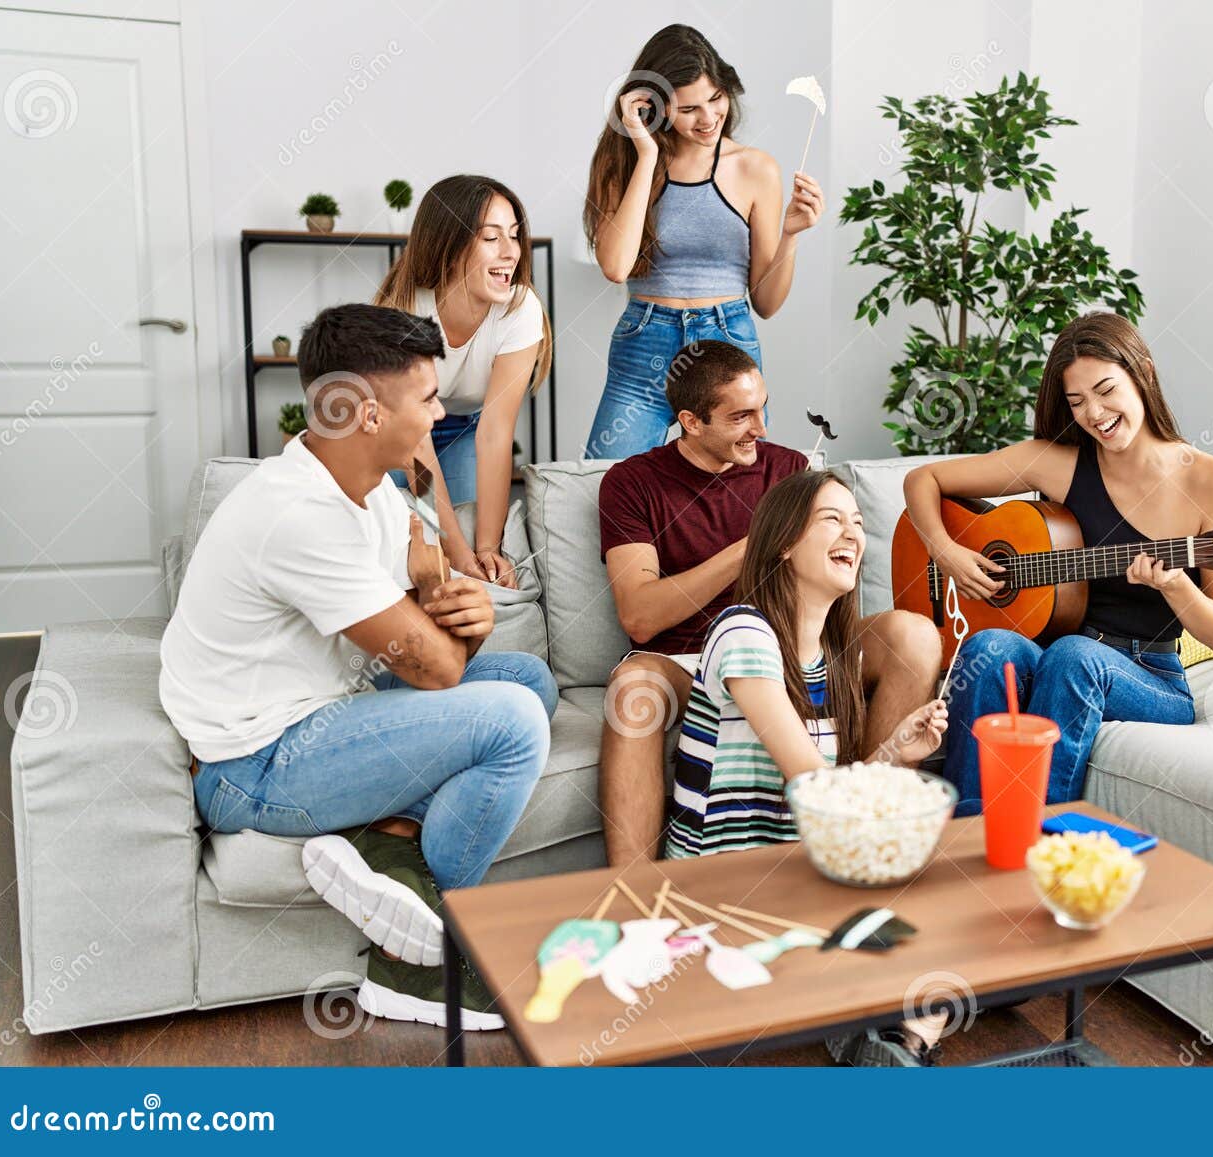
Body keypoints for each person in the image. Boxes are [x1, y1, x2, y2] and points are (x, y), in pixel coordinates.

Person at [159, 303, 556, 1031]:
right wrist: (459, 619)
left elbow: (419, 624)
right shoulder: (299, 515)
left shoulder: (371, 492)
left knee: (530, 680)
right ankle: (418, 957)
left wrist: (444, 601)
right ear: (368, 413)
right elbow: (433, 666)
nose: (440, 413)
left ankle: (386, 839)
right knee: (514, 719)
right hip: (250, 766)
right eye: (427, 398)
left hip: (323, 708)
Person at [598, 340, 942, 866]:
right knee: (634, 685)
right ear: (691, 422)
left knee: (913, 635)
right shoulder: (632, 482)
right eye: (740, 416)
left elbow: (828, 580)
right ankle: (630, 890)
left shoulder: (789, 470)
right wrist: (755, 544)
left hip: (798, 647)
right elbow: (640, 617)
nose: (760, 428)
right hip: (692, 660)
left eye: (763, 409)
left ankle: (869, 835)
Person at [903, 312, 1213, 812]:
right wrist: (946, 551)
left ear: (1144, 373)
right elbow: (924, 480)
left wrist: (1176, 586)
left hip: (1149, 674)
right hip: (1058, 657)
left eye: (1106, 390)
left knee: (1074, 656)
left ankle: (1038, 833)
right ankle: (968, 830)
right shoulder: (1059, 464)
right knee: (990, 646)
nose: (1095, 413)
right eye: (1077, 401)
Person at [664, 470, 951, 1066]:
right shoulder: (744, 630)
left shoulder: (830, 661)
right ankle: (871, 1024)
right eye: (831, 520)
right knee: (933, 942)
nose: (853, 534)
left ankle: (893, 1044)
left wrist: (894, 751)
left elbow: (824, 800)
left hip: (792, 880)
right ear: (784, 544)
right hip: (723, 888)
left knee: (949, 939)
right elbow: (815, 786)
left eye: (858, 523)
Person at [582, 23, 824, 458]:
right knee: (608, 477)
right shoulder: (626, 163)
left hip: (727, 338)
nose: (709, 118)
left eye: (716, 99)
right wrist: (647, 155)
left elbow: (766, 303)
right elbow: (616, 267)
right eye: (689, 108)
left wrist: (790, 235)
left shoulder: (755, 168)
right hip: (646, 341)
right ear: (654, 107)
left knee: (735, 485)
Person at [376, 174, 551, 588]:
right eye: (491, 238)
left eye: (514, 235)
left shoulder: (520, 309)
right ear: (449, 246)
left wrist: (486, 549)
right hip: (393, 431)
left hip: (465, 428)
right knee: (397, 540)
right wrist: (454, 551)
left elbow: (495, 431)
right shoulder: (406, 307)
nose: (511, 252)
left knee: (471, 539)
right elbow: (414, 443)